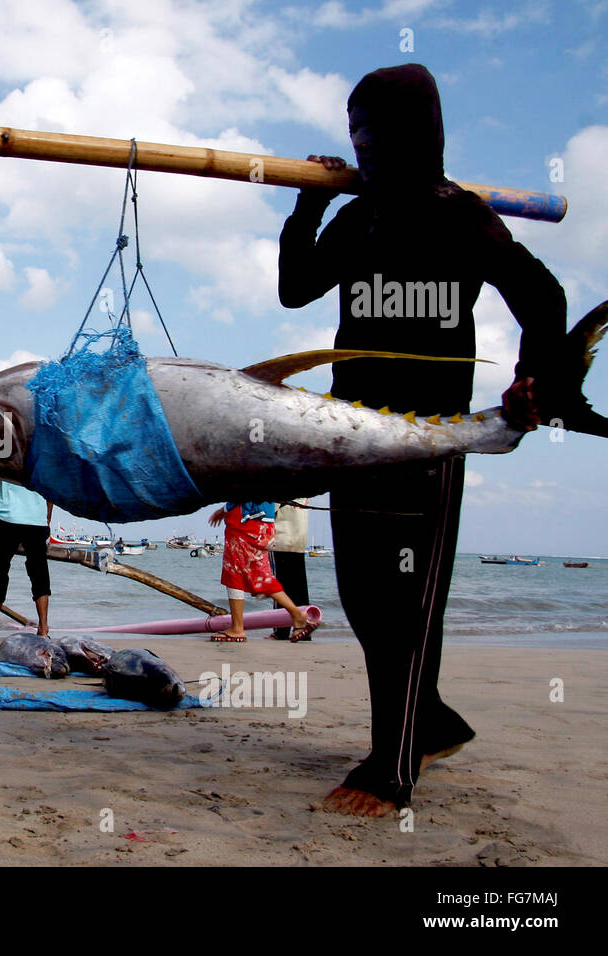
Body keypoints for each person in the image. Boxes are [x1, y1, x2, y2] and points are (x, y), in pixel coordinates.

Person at [278, 64, 566, 816]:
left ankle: (393, 768)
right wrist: (309, 205)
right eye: (356, 136)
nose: (366, 149)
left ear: (421, 135)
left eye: (379, 134)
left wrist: (535, 378)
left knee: (407, 604)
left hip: (427, 441)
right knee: (365, 601)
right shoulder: (358, 217)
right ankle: (429, 722)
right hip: (351, 433)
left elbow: (544, 297)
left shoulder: (459, 216)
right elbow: (295, 285)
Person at [207, 501, 313, 643]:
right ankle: (297, 615)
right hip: (264, 525)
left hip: (246, 521)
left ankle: (238, 628)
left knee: (234, 572)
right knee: (262, 576)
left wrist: (225, 508)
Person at [0, 477, 51, 641]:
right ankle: (43, 627)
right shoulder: (40, 452)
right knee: (39, 573)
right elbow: (50, 486)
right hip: (37, 519)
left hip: (7, 516)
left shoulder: (4, 451)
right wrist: (46, 517)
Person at [269, 499, 310, 640]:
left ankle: (280, 631)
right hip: (299, 539)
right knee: (299, 588)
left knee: (279, 587)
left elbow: (268, 508)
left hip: (282, 539)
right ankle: (304, 628)